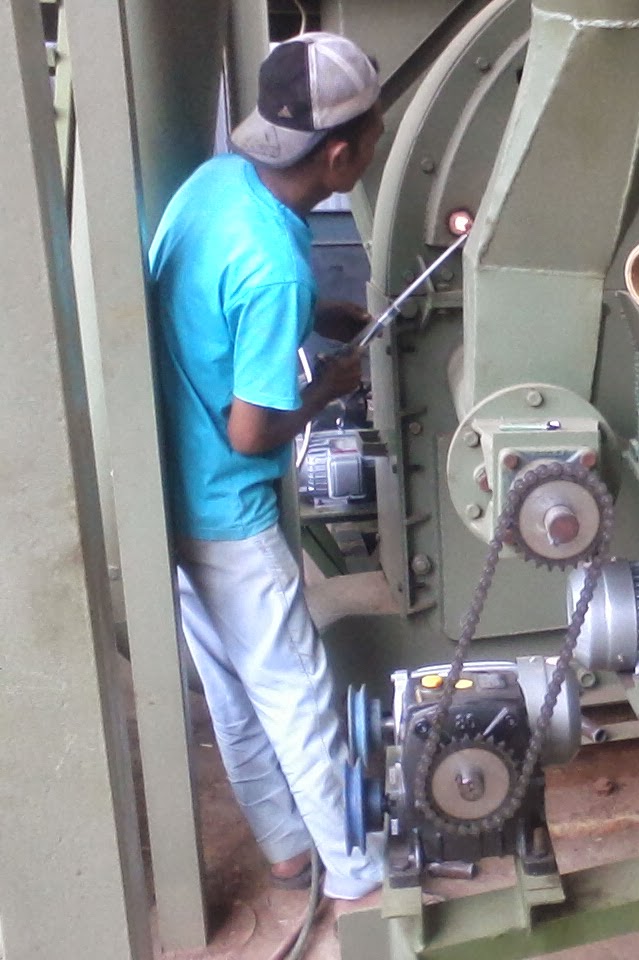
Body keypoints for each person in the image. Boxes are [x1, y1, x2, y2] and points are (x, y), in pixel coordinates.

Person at [149, 32, 387, 900]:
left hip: (163, 490)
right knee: (298, 695)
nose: (377, 141)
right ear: (338, 154)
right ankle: (361, 880)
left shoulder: (216, 184)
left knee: (234, 690)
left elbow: (212, 301)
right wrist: (325, 388)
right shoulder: (275, 266)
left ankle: (288, 851)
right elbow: (253, 431)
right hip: (227, 506)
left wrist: (310, 314)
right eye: (374, 132)